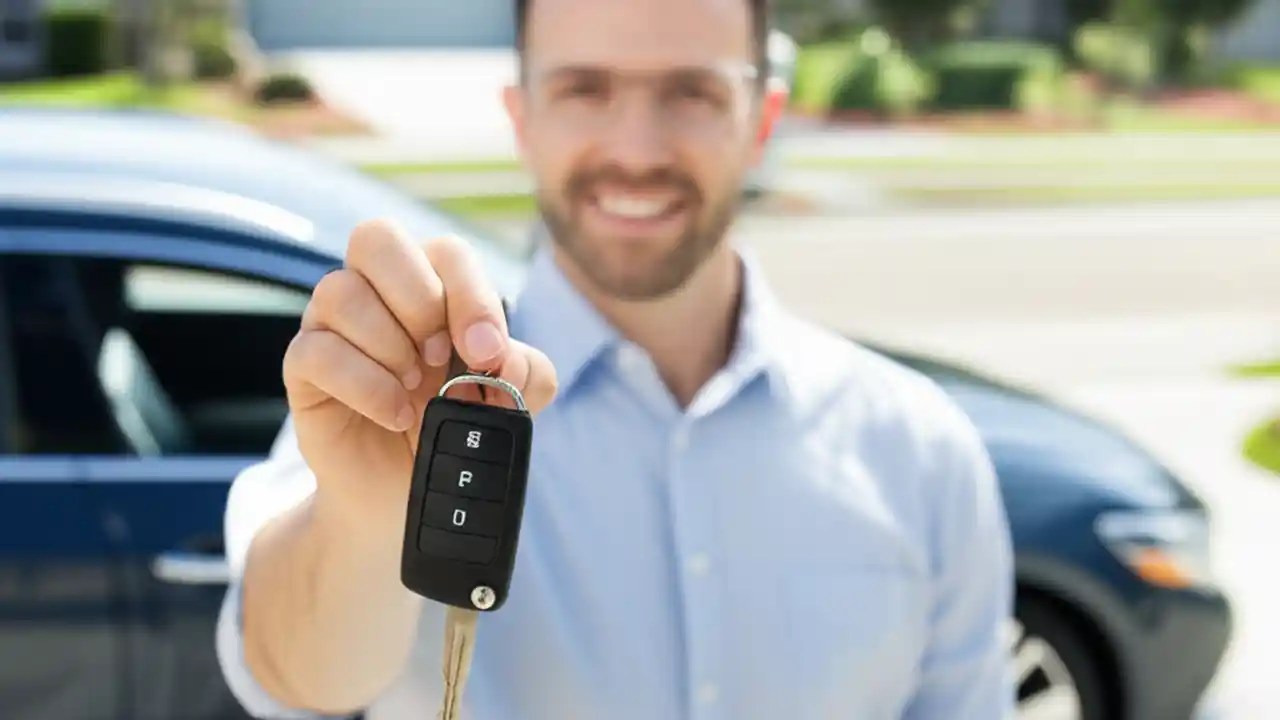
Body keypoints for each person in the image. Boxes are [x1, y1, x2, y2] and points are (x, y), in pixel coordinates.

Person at [215, 0, 1016, 718]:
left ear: (761, 120)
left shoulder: (921, 450)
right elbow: (296, 678)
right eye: (584, 88)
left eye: (691, 92)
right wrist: (364, 517)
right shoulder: (418, 393)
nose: (637, 149)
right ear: (521, 117)